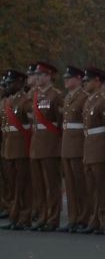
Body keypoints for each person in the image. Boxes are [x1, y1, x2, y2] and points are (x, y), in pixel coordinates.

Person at [29, 62, 64, 232]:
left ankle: (52, 218)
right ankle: (42, 216)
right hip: (36, 144)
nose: (38, 77)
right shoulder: (35, 95)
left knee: (51, 184)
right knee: (39, 184)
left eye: (42, 75)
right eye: (37, 74)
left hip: (50, 144)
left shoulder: (56, 95)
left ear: (50, 76)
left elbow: (61, 123)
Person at [79, 67, 105, 234]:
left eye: (88, 80)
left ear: (98, 81)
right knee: (91, 187)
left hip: (99, 149)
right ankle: (95, 219)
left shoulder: (104, 101)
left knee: (102, 187)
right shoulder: (88, 101)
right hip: (89, 148)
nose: (85, 83)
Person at [0, 69, 32, 230]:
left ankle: (24, 216)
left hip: (21, 148)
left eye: (11, 83)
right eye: (7, 83)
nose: (8, 86)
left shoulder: (25, 101)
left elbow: (32, 126)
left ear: (20, 83)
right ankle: (15, 215)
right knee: (13, 185)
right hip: (9, 147)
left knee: (23, 184)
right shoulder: (9, 101)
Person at [59, 66, 90, 232]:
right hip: (67, 146)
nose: (66, 81)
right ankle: (73, 218)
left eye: (69, 78)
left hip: (78, 145)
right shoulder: (68, 98)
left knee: (80, 184)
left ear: (78, 79)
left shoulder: (83, 97)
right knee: (70, 186)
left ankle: (83, 217)